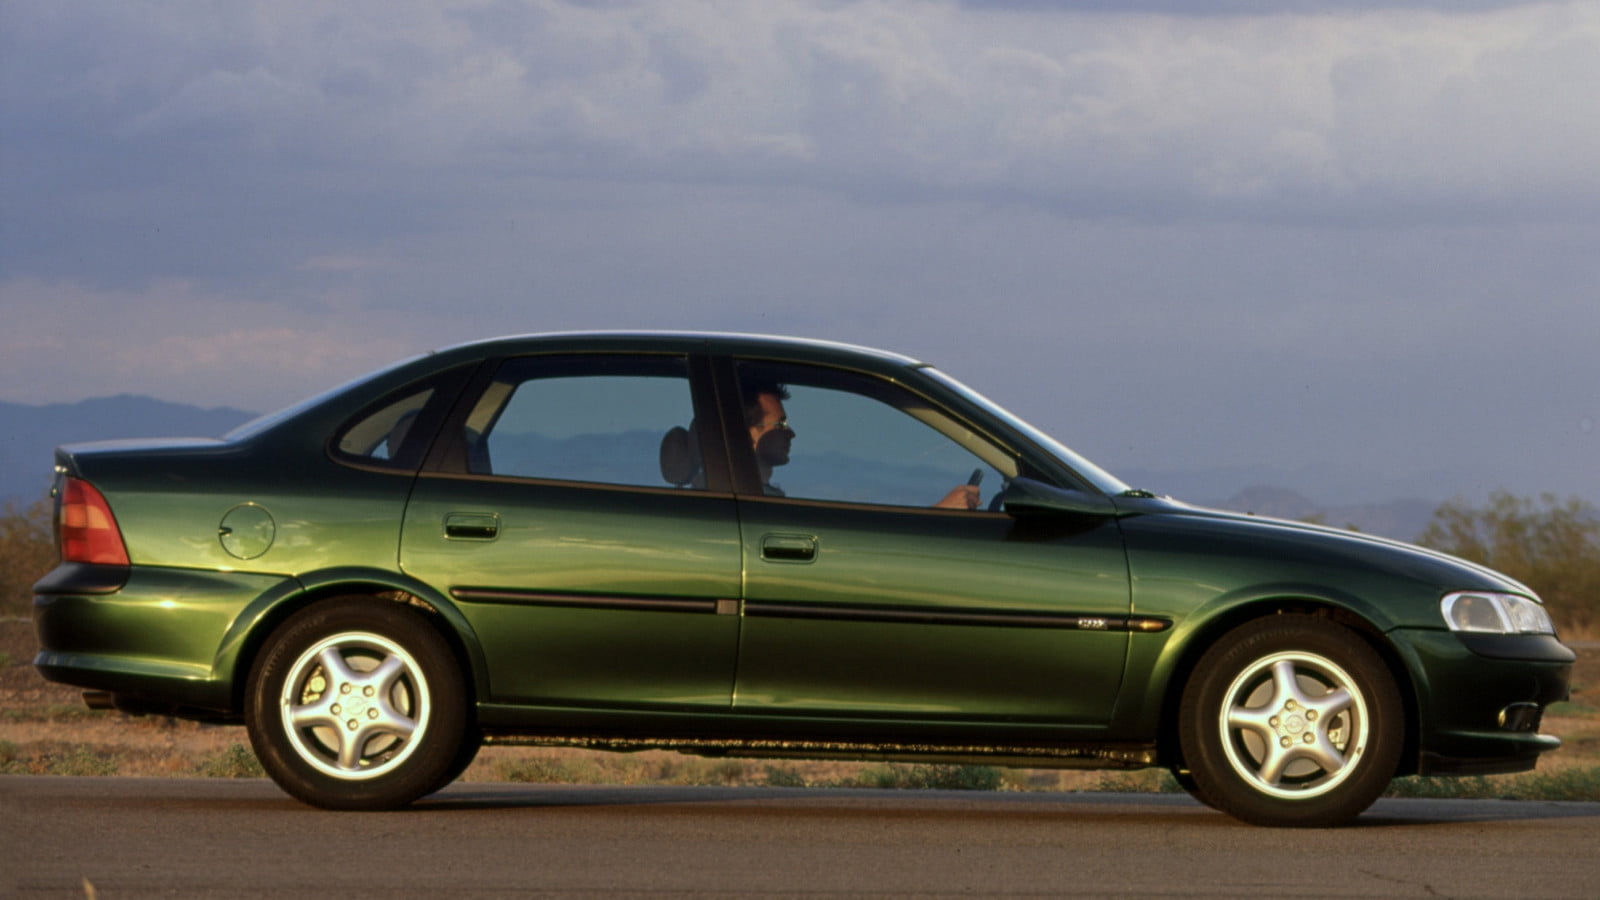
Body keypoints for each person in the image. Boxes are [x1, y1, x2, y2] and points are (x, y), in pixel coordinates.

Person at [741, 381, 979, 509]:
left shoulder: (760, 500)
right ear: (748, 432)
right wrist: (937, 515)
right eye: (780, 424)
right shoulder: (750, 508)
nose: (791, 433)